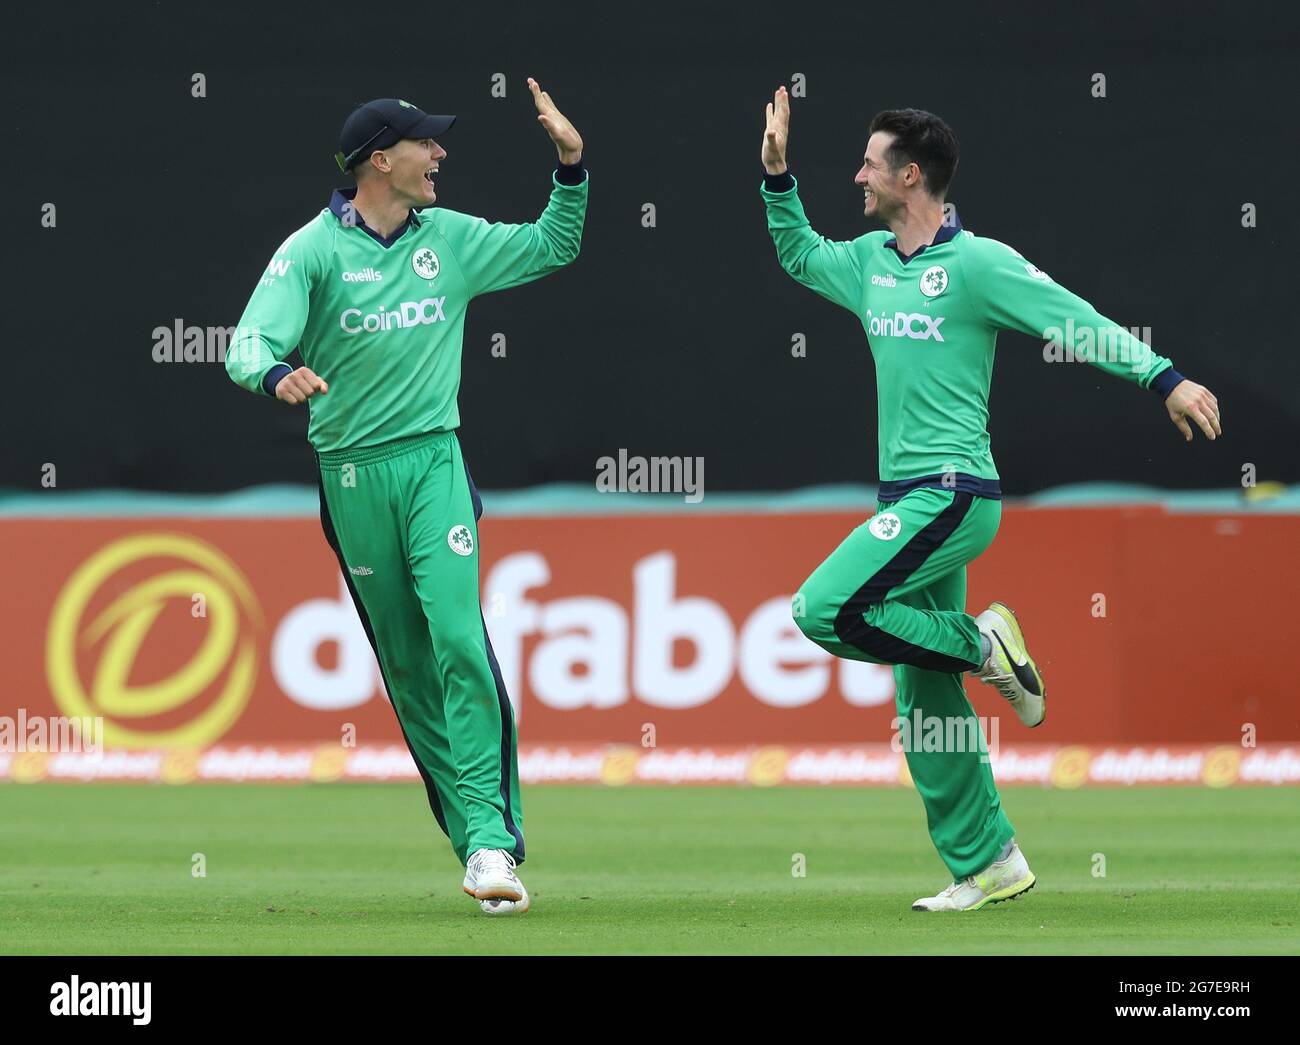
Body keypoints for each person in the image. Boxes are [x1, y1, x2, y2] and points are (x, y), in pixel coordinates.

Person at [759, 86, 1220, 912]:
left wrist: (1164, 378)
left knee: (823, 608)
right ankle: (990, 860)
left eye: (869, 163)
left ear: (909, 177)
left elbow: (1070, 320)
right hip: (907, 498)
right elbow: (798, 254)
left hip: (954, 493)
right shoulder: (868, 263)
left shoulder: (979, 265)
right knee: (923, 701)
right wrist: (775, 175)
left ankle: (981, 645)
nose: (856, 175)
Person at [226, 80, 588, 915]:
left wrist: (571, 163)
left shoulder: (449, 239)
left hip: (434, 464)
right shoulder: (312, 250)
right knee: (410, 669)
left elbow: (551, 247)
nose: (442, 156)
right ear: (381, 160)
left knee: (461, 637)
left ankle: (496, 838)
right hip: (351, 476)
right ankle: (474, 844)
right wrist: (276, 371)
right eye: (428, 145)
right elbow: (248, 338)